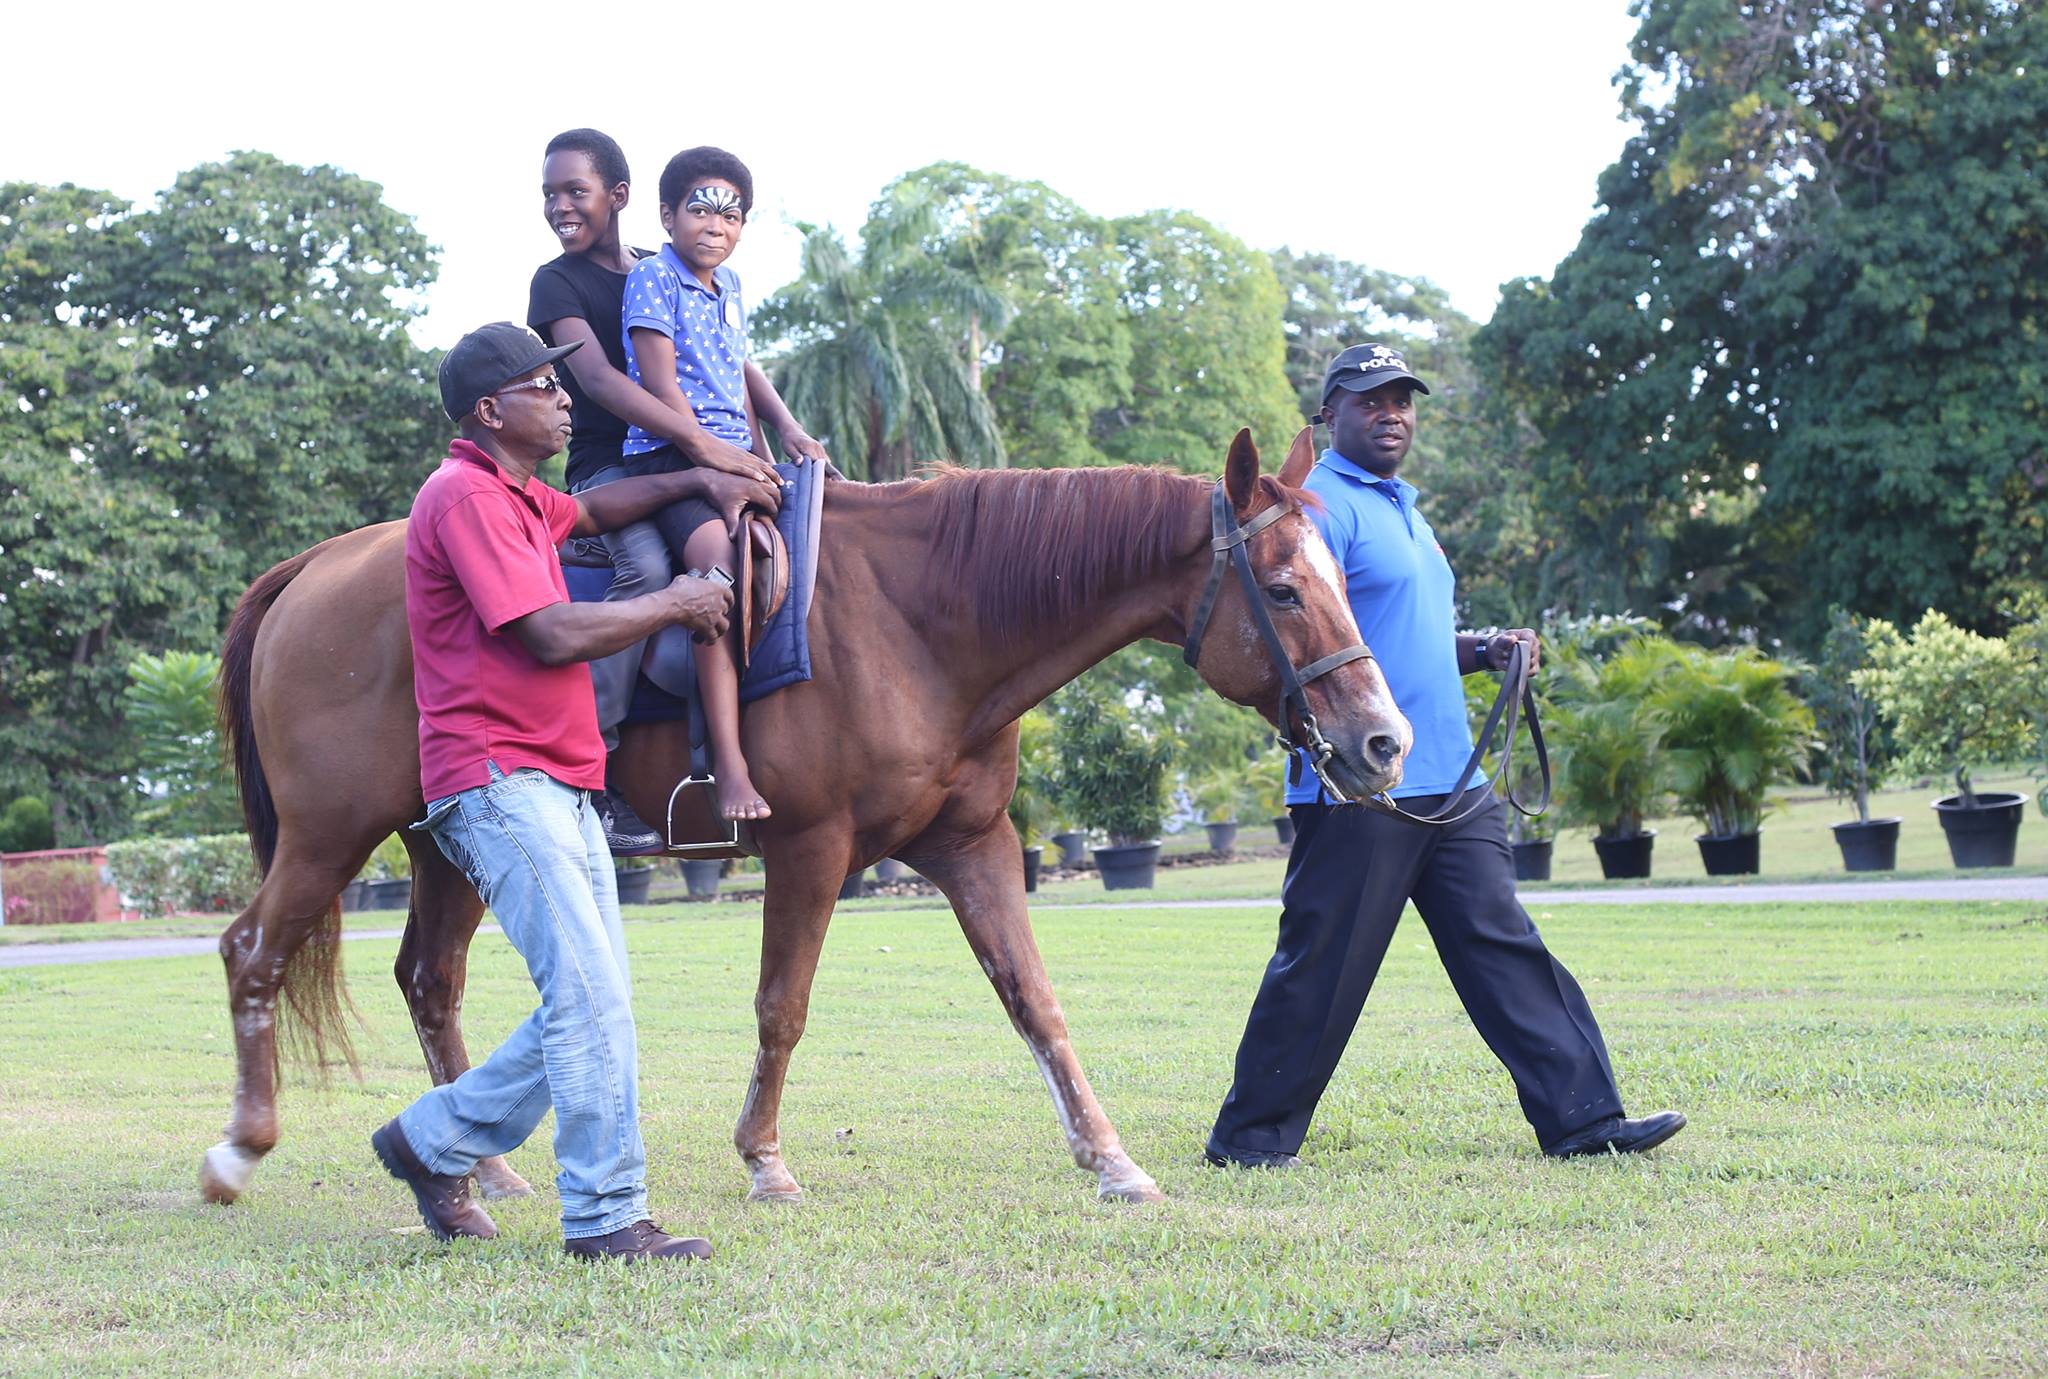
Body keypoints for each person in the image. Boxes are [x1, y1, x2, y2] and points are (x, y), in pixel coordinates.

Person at [1204, 343, 1686, 1168]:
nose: (1391, 413)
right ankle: (1248, 1141)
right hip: (1361, 784)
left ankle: (1584, 1118)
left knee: (1503, 944)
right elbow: (1302, 633)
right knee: (1324, 965)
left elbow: (1408, 636)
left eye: (1402, 400)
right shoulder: (1319, 510)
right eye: (1370, 400)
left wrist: (1484, 648)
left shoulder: (1407, 512)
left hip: (1453, 779)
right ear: (1330, 414)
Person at [372, 320, 777, 1261]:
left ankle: (429, 1141)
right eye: (544, 386)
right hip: (499, 778)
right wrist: (676, 600)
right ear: (490, 409)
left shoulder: (519, 494)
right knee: (590, 1001)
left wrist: (696, 475)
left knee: (593, 1001)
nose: (565, 398)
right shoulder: (464, 497)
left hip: (557, 780)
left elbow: (594, 512)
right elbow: (548, 632)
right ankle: (604, 1216)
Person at [525, 127, 790, 853]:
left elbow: (729, 358)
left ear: (618, 196)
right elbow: (599, 379)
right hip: (614, 464)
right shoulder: (557, 282)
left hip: (686, 449)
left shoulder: (661, 265)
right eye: (551, 194)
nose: (560, 206)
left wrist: (771, 436)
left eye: (575, 191)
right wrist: (705, 448)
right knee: (644, 569)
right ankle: (596, 766)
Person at [620, 145, 828, 822]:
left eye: (731, 215)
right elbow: (662, 387)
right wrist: (715, 464)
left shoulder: (729, 286)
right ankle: (728, 765)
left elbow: (738, 373)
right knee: (717, 565)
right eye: (701, 210)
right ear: (667, 216)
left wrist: (779, 439)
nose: (716, 225)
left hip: (730, 455)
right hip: (671, 457)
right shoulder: (654, 277)